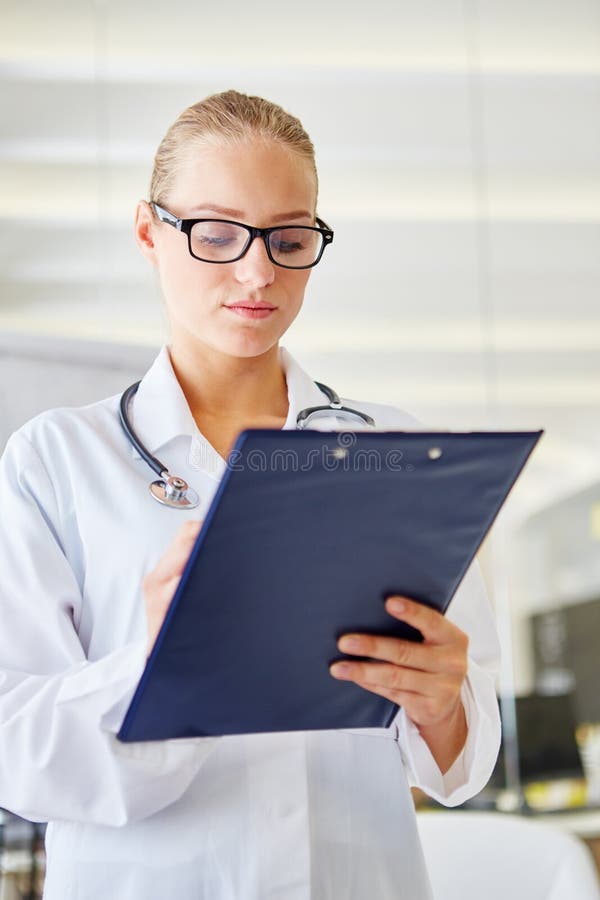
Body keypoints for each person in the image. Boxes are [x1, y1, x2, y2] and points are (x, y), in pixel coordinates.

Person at [0, 90, 500, 899]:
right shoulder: (54, 462)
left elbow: (461, 763)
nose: (258, 270)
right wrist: (162, 668)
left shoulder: (394, 450)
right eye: (217, 232)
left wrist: (444, 703)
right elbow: (15, 748)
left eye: (290, 236)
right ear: (147, 233)